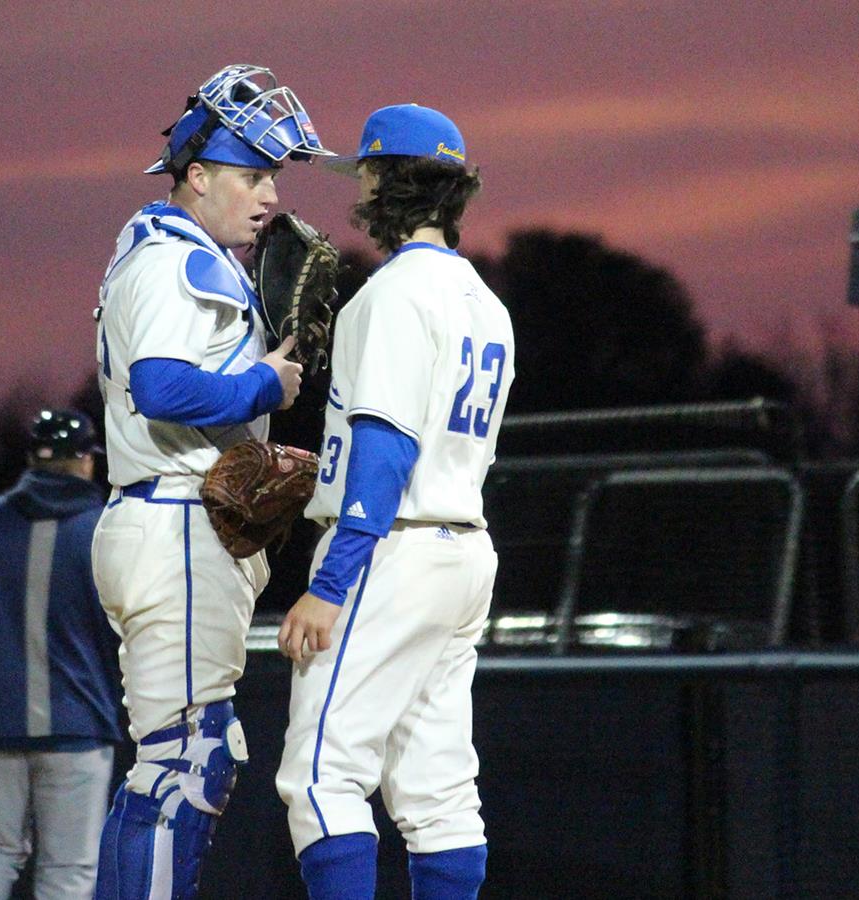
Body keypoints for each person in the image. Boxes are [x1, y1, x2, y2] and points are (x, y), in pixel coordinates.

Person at [89, 63, 331, 899]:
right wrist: (265, 386)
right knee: (185, 766)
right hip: (175, 528)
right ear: (197, 176)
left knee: (177, 762)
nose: (269, 194)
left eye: (273, 174)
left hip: (168, 522)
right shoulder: (175, 261)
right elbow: (160, 386)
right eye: (251, 173)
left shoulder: (167, 252)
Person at [274, 105, 515, 899]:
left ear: (385, 183)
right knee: (436, 790)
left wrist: (331, 581)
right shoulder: (487, 305)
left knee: (321, 777)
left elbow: (384, 451)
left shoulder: (392, 297)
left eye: (367, 172)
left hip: (390, 550)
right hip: (463, 550)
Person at [0, 409, 124, 900]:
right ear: (83, 460)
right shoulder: (104, 528)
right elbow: (127, 627)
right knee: (69, 868)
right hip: (78, 722)